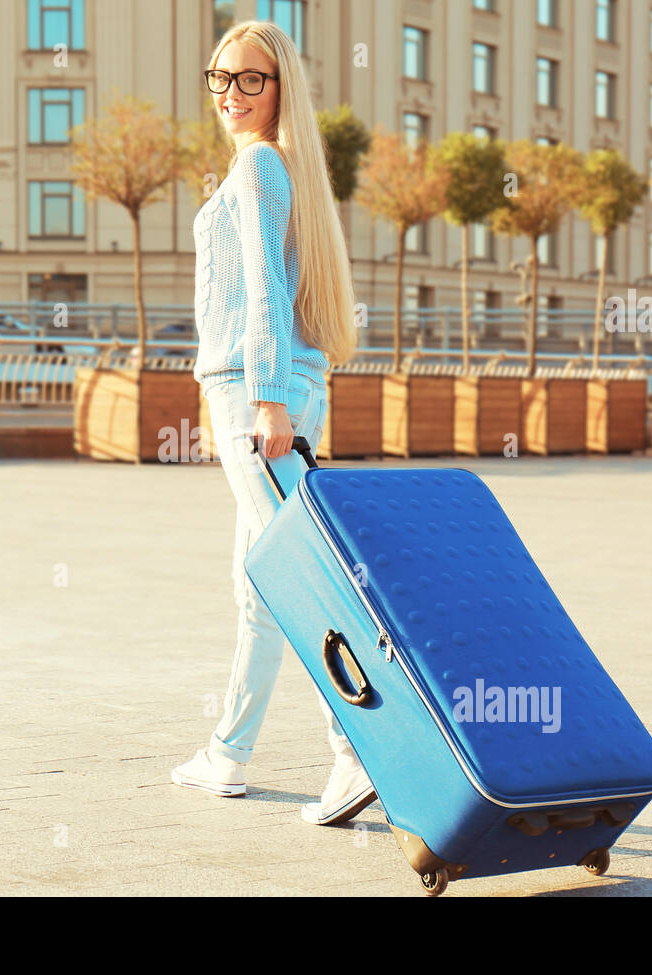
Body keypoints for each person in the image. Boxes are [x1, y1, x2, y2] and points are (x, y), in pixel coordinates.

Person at [170, 20, 375, 826]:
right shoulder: (280, 169)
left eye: (249, 79)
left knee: (297, 579)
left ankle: (357, 754)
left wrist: (264, 405)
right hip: (284, 389)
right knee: (260, 580)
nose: (230, 94)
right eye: (220, 78)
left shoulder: (258, 166)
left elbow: (261, 294)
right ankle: (229, 752)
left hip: (256, 399)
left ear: (281, 86)